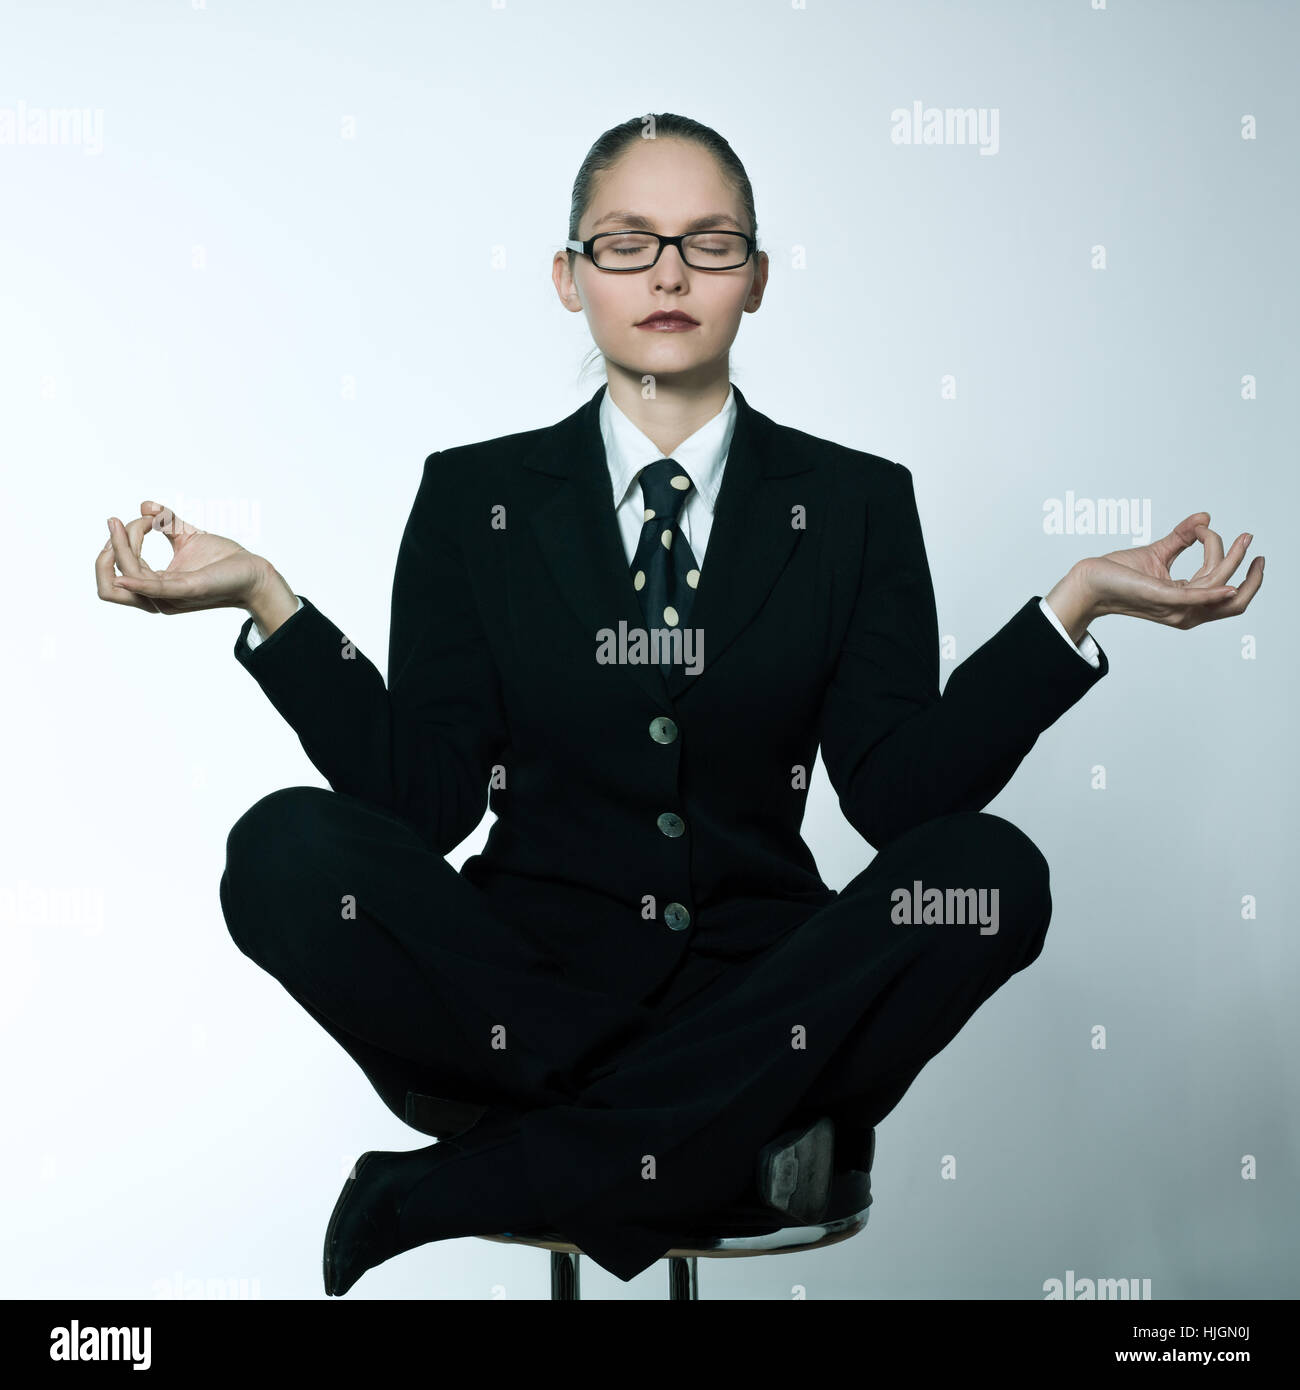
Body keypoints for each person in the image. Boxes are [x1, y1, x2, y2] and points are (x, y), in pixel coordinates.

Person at [97, 112, 1263, 1295]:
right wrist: (266, 598)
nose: (667, 271)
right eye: (627, 243)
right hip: (527, 996)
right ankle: (703, 1142)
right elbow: (422, 799)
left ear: (756, 278)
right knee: (284, 847)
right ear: (569, 277)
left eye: (709, 244)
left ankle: (481, 1176)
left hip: (766, 992)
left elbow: (903, 799)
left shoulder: (854, 503)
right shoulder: (474, 497)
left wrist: (1069, 612)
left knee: (992, 872)